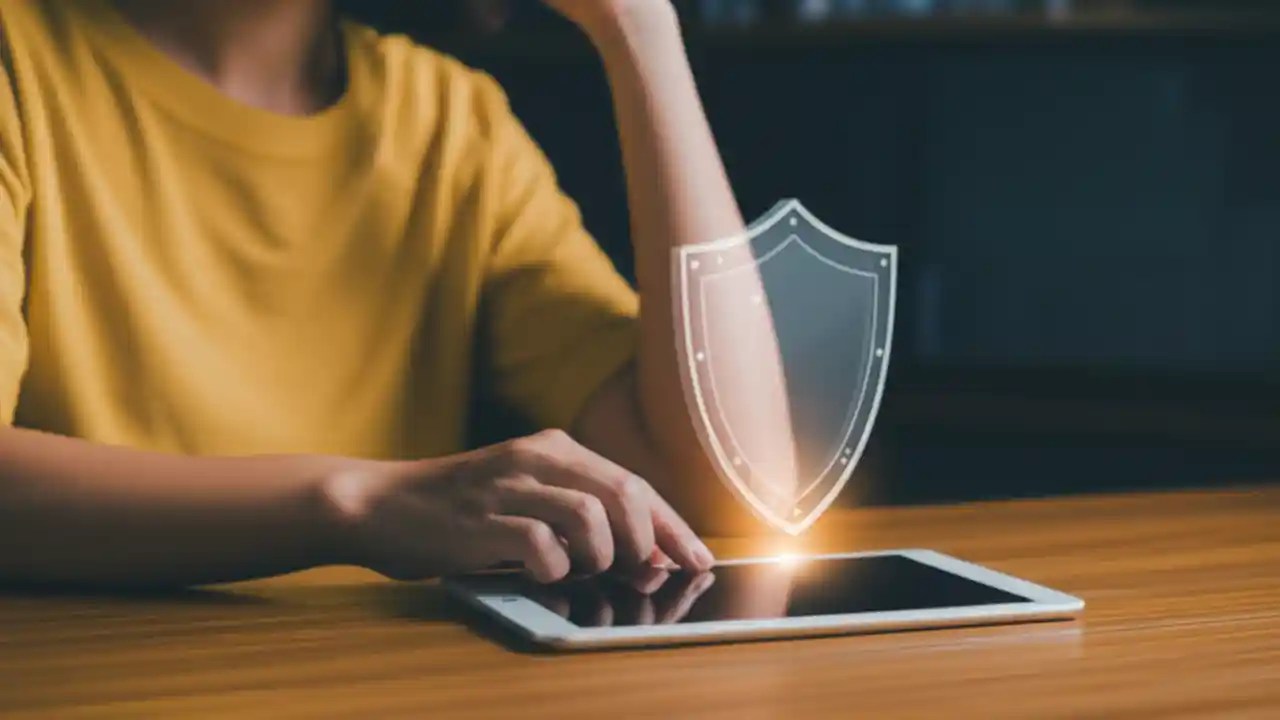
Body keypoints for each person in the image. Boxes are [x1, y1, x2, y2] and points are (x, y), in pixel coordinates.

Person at [0, 0, 795, 588]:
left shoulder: (451, 121)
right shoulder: (21, 59)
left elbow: (741, 490)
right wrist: (357, 504)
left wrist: (639, 29)